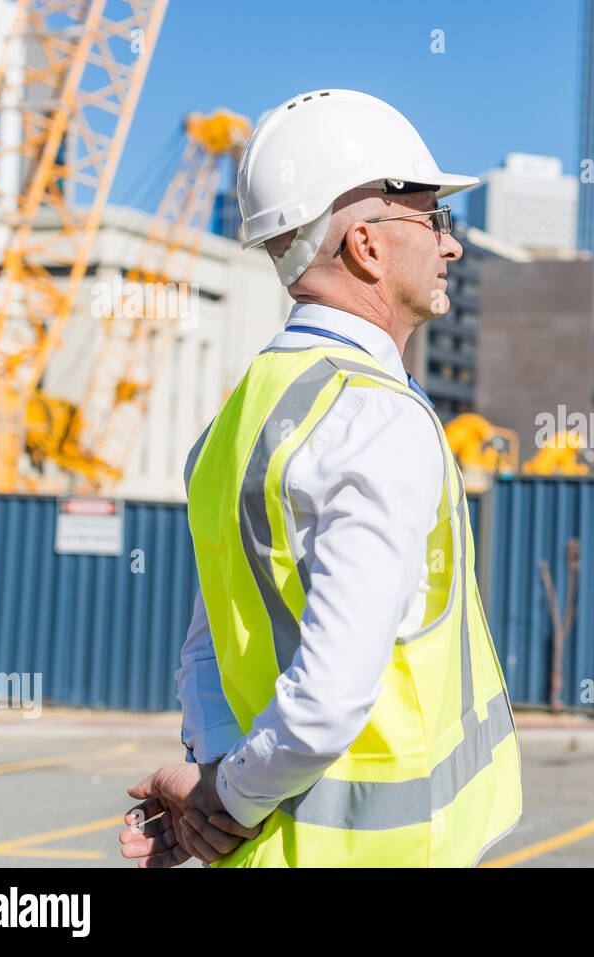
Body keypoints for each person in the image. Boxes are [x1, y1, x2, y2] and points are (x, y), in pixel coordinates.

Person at [117, 89, 522, 867]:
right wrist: (225, 796)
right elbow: (328, 698)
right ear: (366, 245)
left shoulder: (235, 420)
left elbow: (209, 650)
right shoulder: (378, 417)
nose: (451, 245)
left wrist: (214, 787)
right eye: (435, 218)